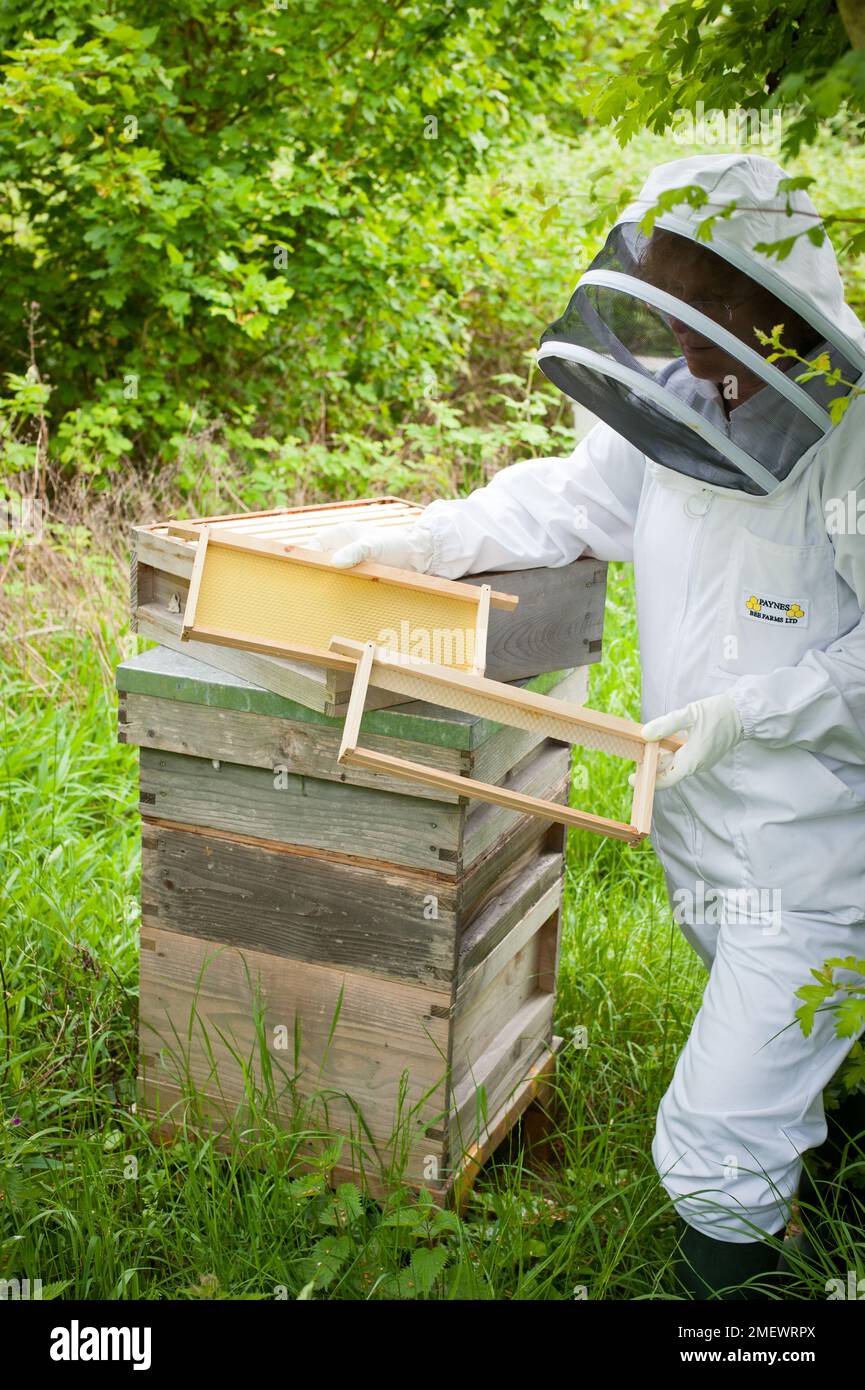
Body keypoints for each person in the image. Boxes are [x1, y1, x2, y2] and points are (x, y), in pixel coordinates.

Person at [309, 154, 865, 1298]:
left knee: (717, 1136)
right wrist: (427, 541)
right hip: (704, 834)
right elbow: (571, 499)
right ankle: (828, 1187)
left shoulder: (852, 430)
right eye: (664, 308)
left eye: (706, 312)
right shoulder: (680, 394)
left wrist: (747, 710)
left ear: (773, 295)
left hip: (823, 849)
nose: (687, 345)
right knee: (787, 1057)